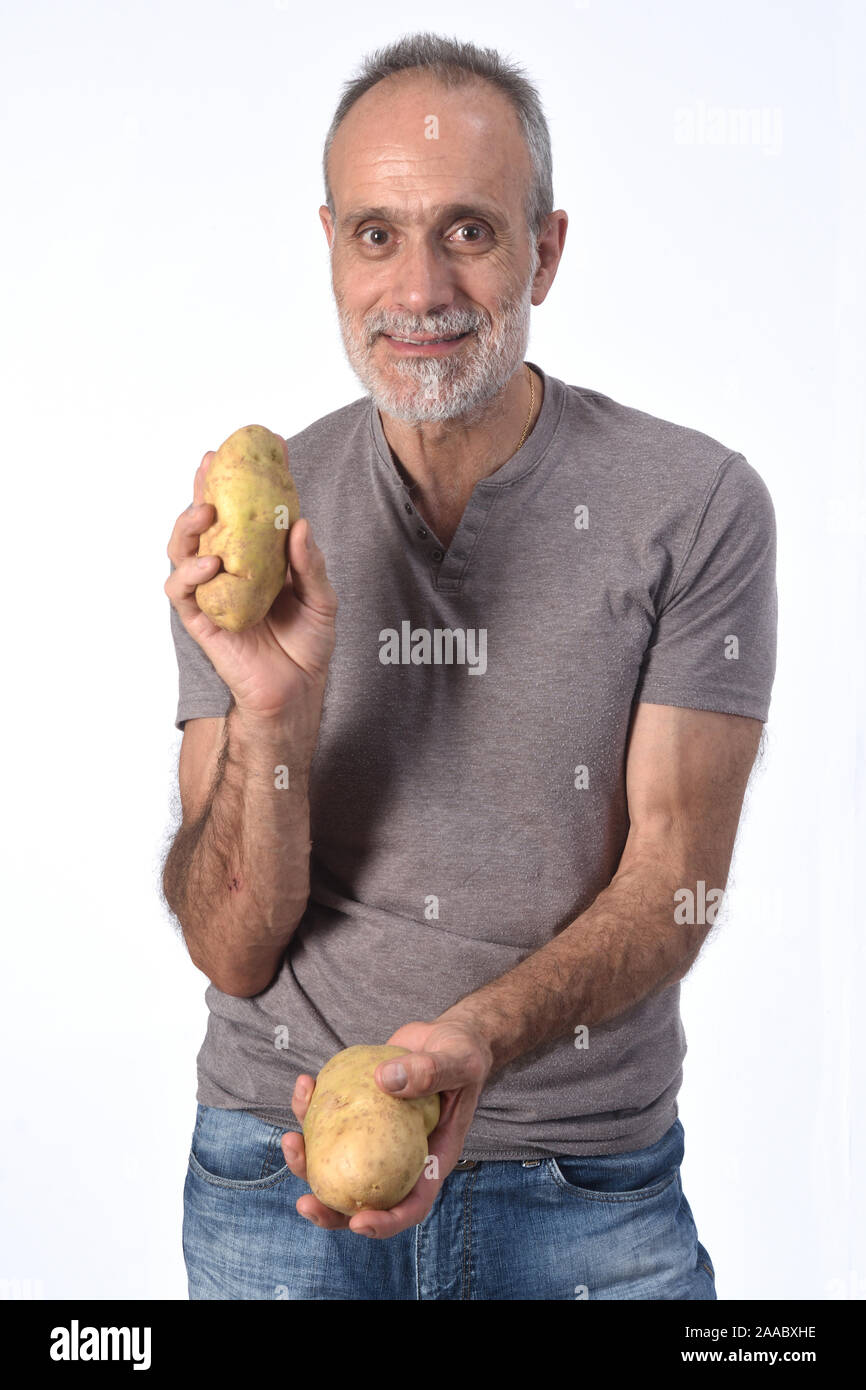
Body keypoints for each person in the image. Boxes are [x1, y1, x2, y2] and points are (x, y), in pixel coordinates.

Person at [162, 32, 777, 1301]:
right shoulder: (252, 524)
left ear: (544, 249)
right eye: (376, 236)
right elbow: (230, 950)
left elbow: (674, 880)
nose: (419, 289)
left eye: (469, 233)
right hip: (278, 1175)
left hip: (579, 1184)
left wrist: (476, 1042)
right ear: (330, 244)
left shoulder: (693, 503)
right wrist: (270, 709)